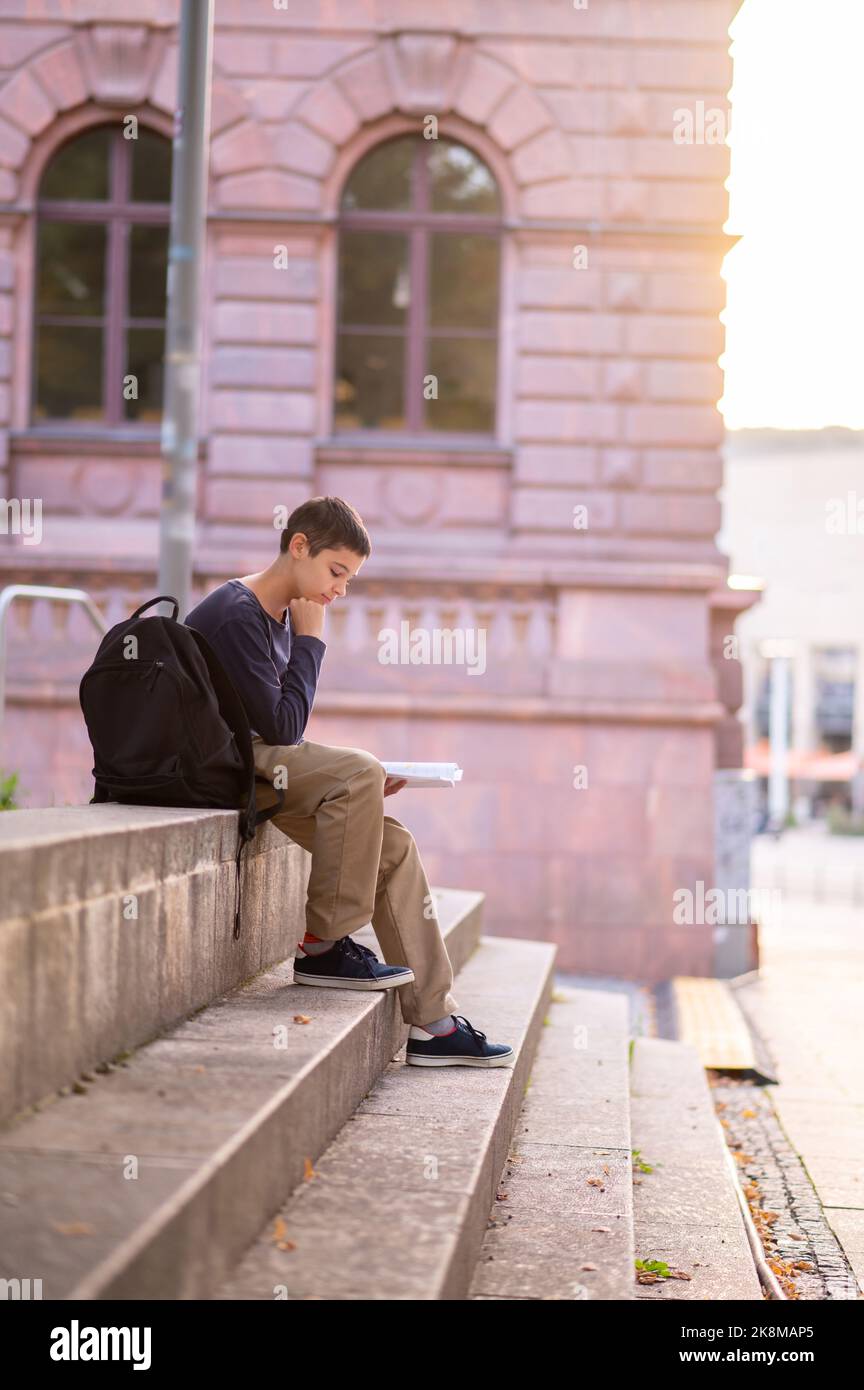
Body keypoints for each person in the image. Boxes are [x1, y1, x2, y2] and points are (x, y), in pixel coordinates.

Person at [184, 495, 513, 1068]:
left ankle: (434, 1023)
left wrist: (354, 785)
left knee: (395, 845)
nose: (340, 590)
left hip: (258, 764)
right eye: (336, 572)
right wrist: (312, 643)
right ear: (299, 545)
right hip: (221, 768)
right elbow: (283, 728)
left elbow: (280, 728)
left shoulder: (280, 613)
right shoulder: (238, 612)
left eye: (351, 579)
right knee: (359, 769)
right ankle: (323, 945)